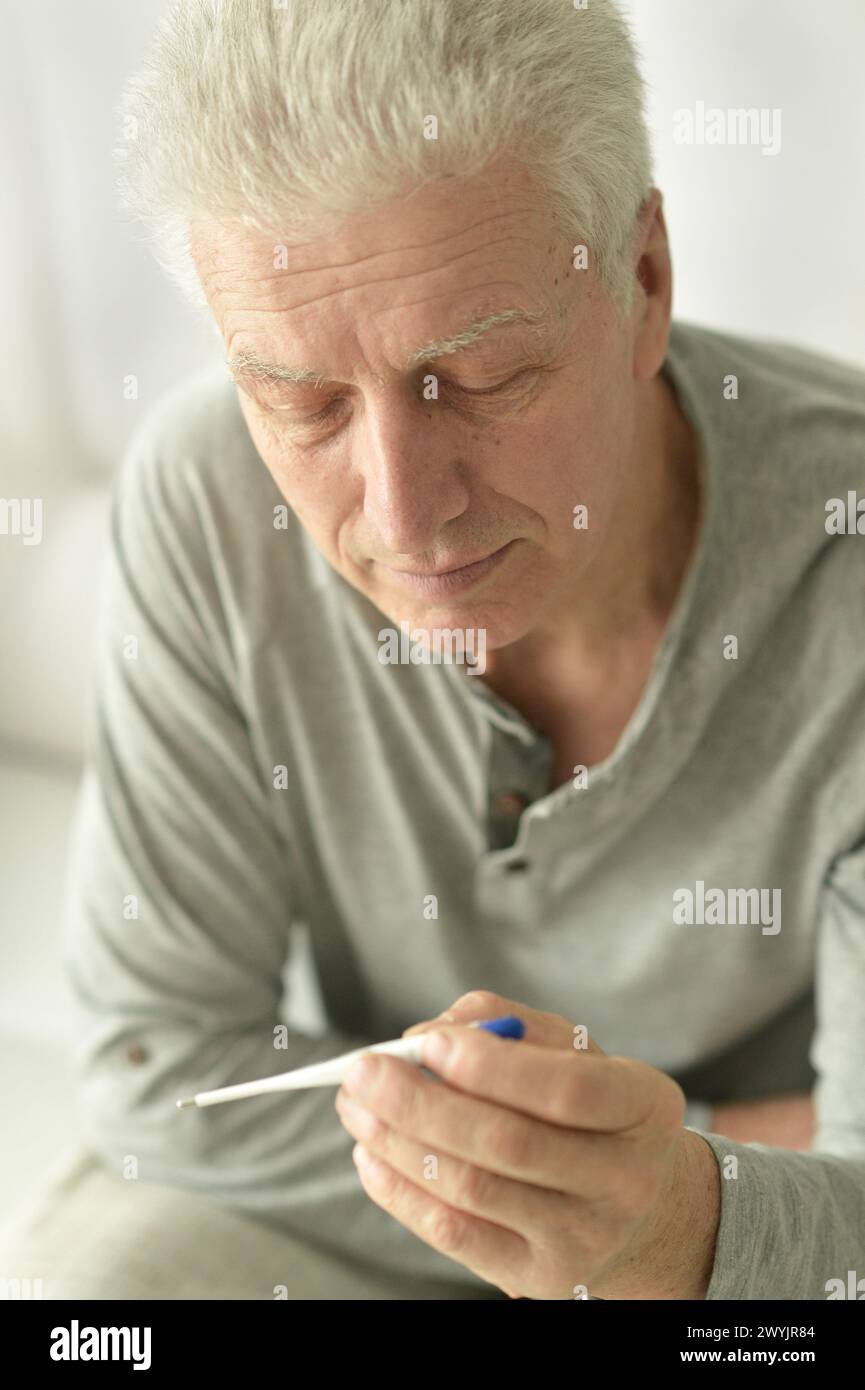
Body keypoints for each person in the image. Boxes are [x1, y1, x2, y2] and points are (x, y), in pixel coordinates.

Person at [2, 0, 862, 1301]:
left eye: (478, 376)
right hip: (360, 1182)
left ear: (642, 280)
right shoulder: (205, 497)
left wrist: (674, 1215)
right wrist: (650, 1163)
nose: (404, 518)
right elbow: (159, 1071)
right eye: (303, 401)